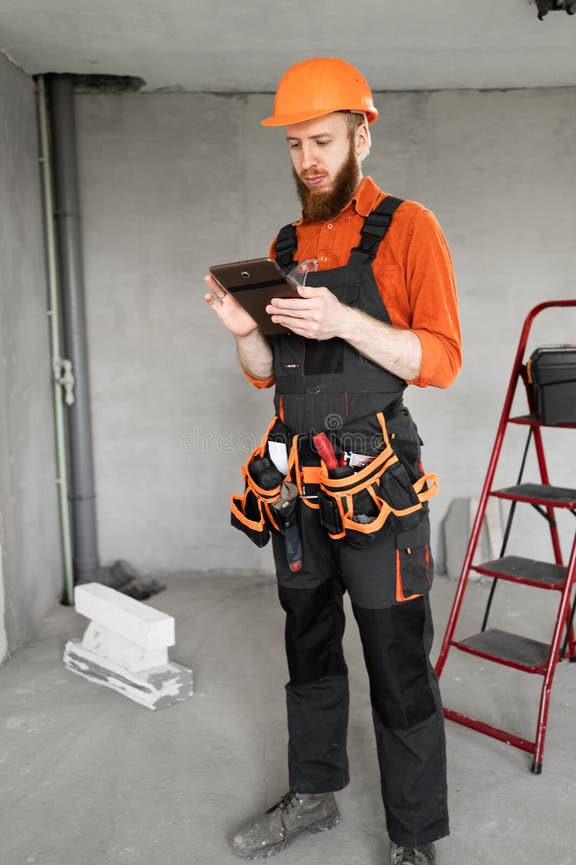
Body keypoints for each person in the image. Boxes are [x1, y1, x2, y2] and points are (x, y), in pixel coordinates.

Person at [204, 57, 462, 865]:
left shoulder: (409, 228)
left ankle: (414, 837)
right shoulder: (287, 243)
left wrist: (342, 318)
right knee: (307, 645)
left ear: (362, 131)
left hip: (376, 482)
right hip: (298, 490)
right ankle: (314, 793)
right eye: (294, 146)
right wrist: (244, 328)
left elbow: (442, 359)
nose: (307, 159)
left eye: (321, 139)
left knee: (396, 660)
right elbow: (266, 372)